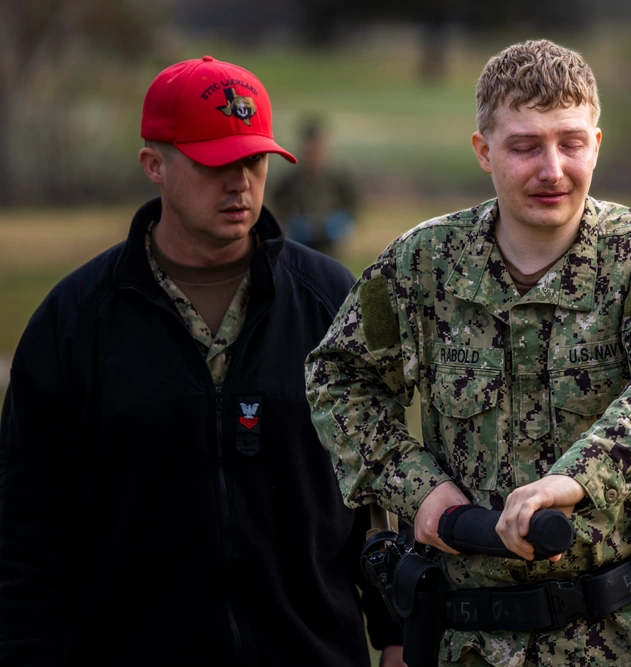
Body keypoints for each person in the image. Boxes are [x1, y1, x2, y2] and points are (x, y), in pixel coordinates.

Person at [306, 39, 631, 667]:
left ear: (597, 143)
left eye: (571, 142)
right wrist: (417, 489)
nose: (552, 169)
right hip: (472, 640)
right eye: (525, 145)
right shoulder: (423, 265)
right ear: (483, 151)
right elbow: (339, 379)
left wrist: (577, 479)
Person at [0, 56, 402, 666]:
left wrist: (399, 637)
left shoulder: (331, 301)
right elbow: (26, 528)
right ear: (154, 165)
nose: (240, 181)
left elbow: (381, 490)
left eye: (254, 159)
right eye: (215, 161)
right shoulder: (74, 323)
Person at [271, 117, 359, 257]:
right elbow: (276, 206)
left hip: (330, 248)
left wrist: (343, 223)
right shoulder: (289, 181)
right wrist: (289, 224)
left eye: (318, 150)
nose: (314, 156)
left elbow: (354, 205)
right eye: (310, 151)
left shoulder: (338, 178)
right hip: (299, 247)